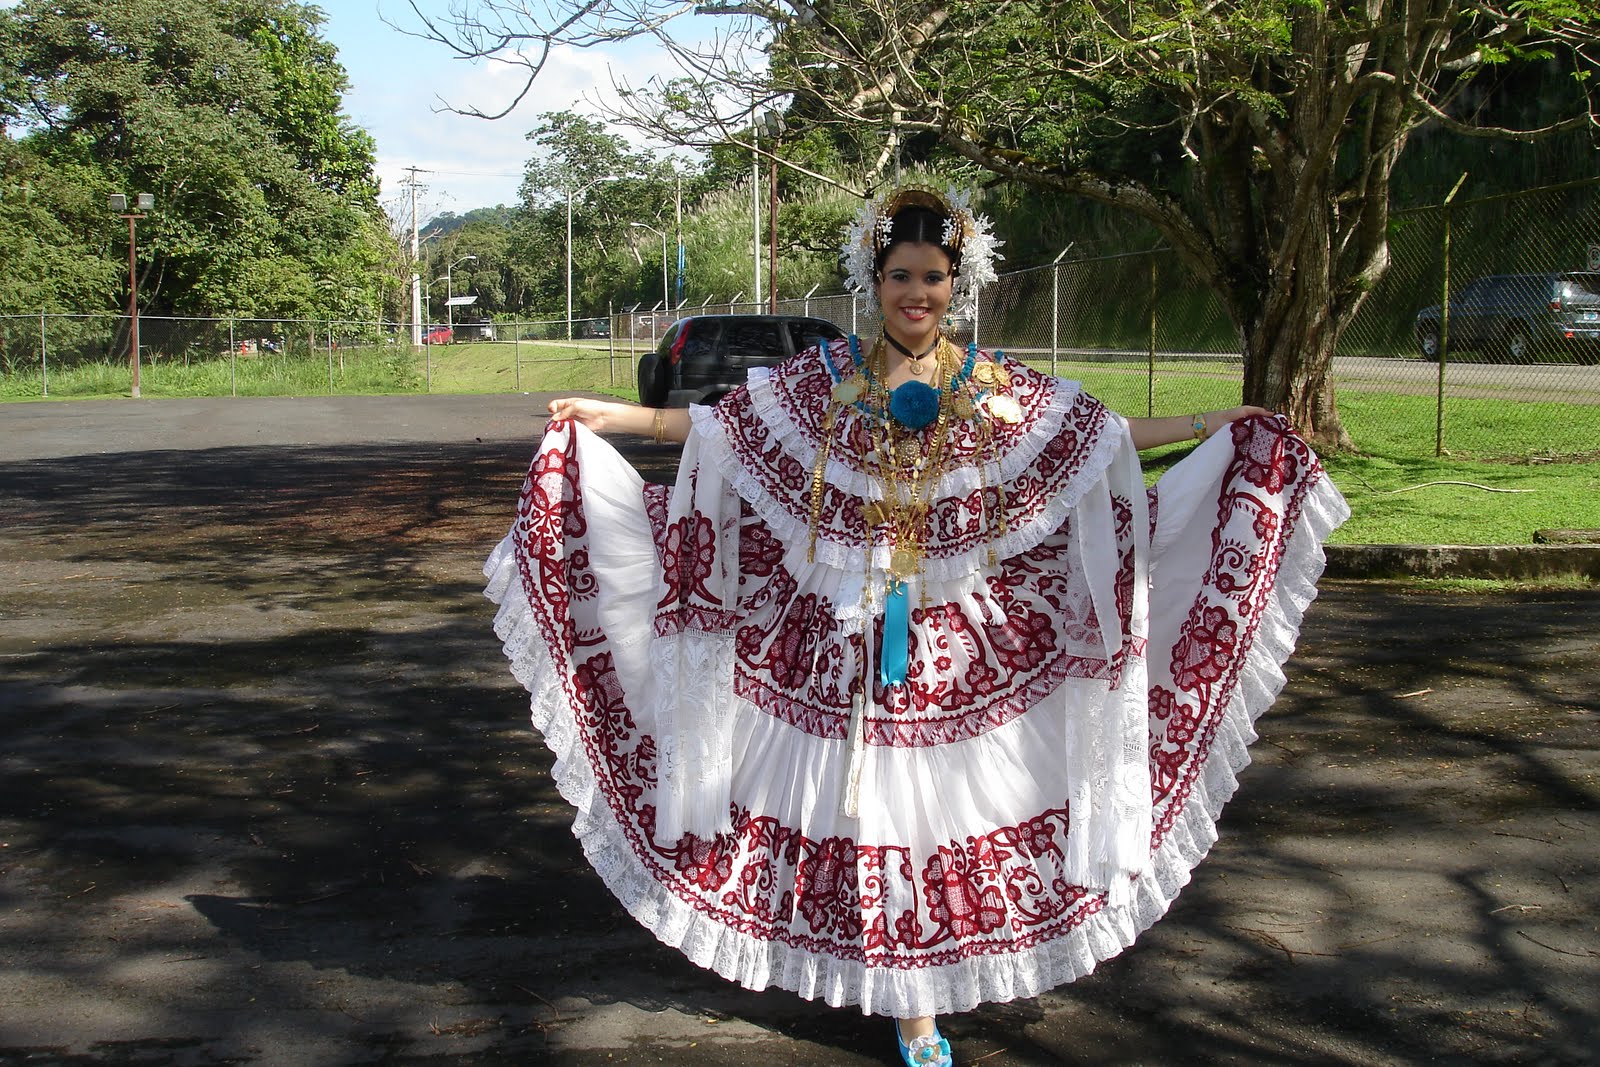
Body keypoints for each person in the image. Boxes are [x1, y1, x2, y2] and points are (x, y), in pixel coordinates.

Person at [485, 185, 1348, 1066]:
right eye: (900, 274)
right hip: (832, 642)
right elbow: (717, 431)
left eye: (933, 277)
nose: (916, 293)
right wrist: (614, 416)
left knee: (929, 820)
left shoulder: (995, 388)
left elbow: (1104, 437)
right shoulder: (820, 382)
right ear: (873, 278)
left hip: (954, 654)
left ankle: (919, 1006)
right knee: (856, 817)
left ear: (956, 283)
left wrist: (1217, 423)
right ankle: (889, 988)